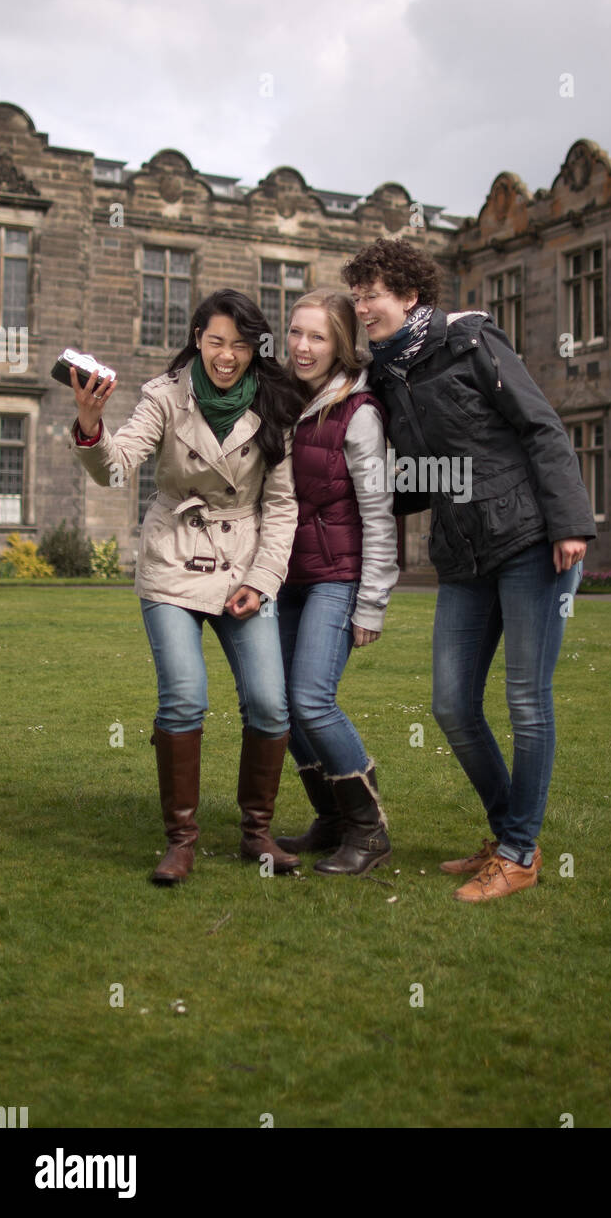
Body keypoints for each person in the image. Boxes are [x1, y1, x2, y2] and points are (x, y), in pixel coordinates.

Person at [341, 238, 597, 902]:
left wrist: (570, 521)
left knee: (526, 703)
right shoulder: (387, 376)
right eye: (358, 295)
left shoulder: (468, 340)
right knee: (453, 705)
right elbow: (426, 480)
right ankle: (512, 835)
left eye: (373, 294)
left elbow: (540, 426)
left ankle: (518, 853)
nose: (363, 306)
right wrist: (351, 495)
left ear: (409, 295)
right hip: (461, 555)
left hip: (528, 539)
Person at [69, 288, 304, 884]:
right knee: (183, 695)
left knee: (271, 703)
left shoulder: (278, 404)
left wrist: (262, 578)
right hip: (173, 559)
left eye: (241, 345)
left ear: (256, 349)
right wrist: (91, 427)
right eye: (217, 341)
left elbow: (281, 509)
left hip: (243, 566)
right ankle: (181, 842)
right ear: (197, 338)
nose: (227, 356)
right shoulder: (164, 395)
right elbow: (116, 467)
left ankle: (256, 834)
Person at [273, 289, 398, 874]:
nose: (302, 346)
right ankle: (330, 817)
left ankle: (369, 830)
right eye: (295, 332)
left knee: (312, 701)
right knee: (279, 706)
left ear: (341, 345)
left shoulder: (359, 411)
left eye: (317, 336)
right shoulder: (286, 402)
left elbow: (379, 513)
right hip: (286, 577)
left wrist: (371, 603)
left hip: (338, 578)